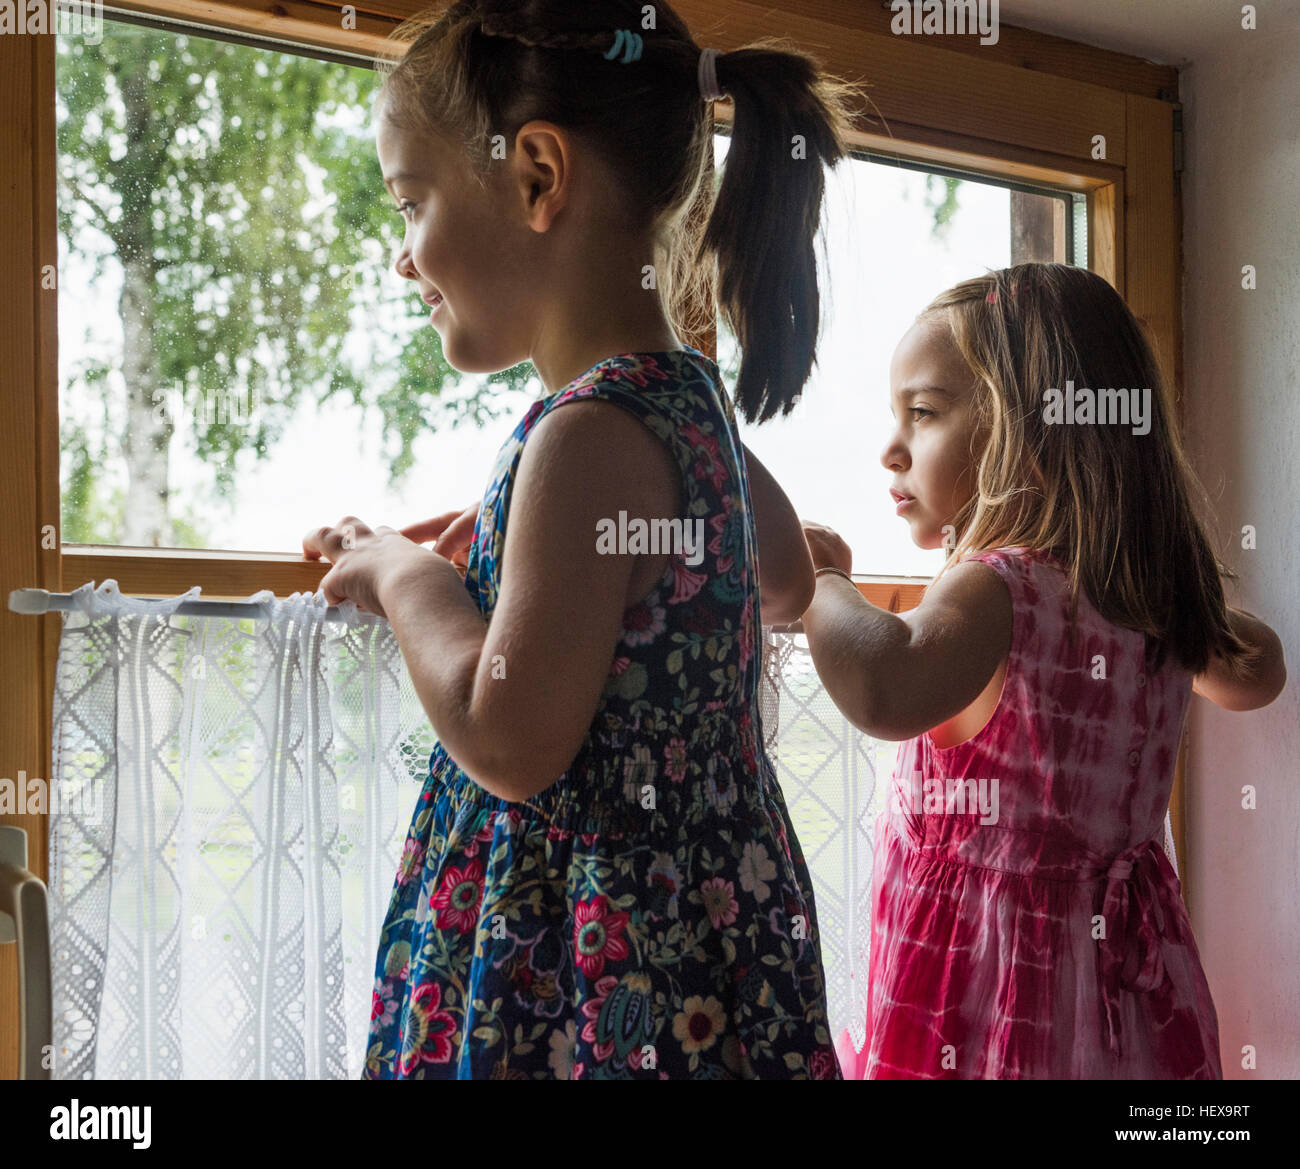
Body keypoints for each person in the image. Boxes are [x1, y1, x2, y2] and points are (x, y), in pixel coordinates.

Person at [301, 0, 863, 1079]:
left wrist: (405, 574)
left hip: (592, 983)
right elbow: (786, 577)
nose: (401, 257)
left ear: (537, 177)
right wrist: (515, 561)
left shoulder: (585, 435)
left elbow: (509, 740)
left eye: (410, 203)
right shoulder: (689, 405)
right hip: (717, 947)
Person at [799, 262, 1286, 1078]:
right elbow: (1259, 669)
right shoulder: (1150, 606)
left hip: (997, 1015)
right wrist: (1189, 605)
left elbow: (883, 683)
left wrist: (823, 585)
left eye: (922, 413)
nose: (890, 449)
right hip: (1134, 1004)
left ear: (1027, 428)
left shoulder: (998, 588)